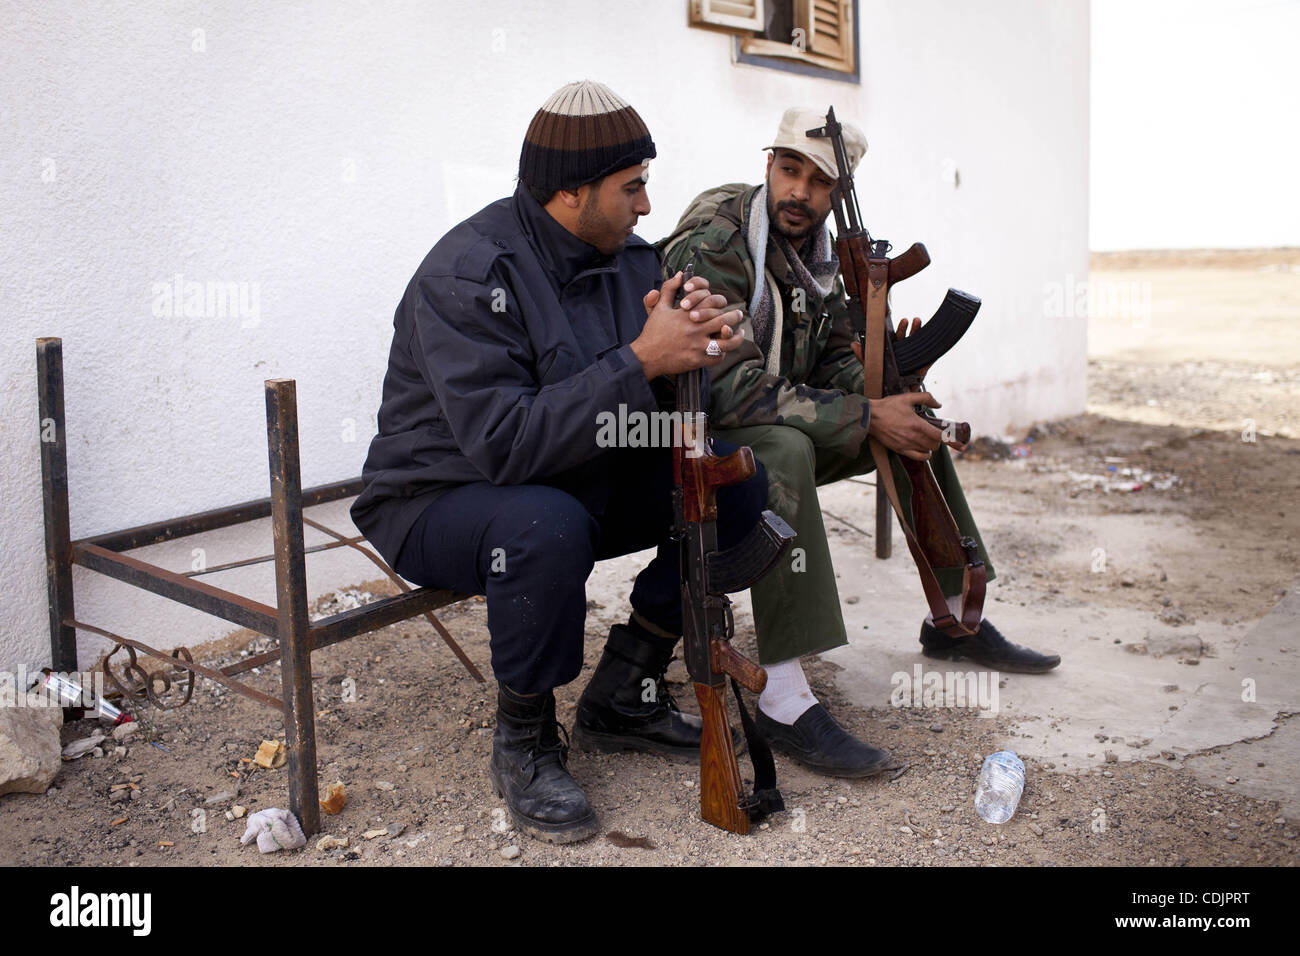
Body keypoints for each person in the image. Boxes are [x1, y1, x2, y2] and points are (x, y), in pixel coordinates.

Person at [350, 80, 761, 843]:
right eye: (632, 187)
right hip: (439, 497)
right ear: (572, 193)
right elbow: (504, 443)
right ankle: (526, 738)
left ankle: (624, 689)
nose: (646, 207)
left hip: (572, 474)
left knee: (730, 479)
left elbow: (649, 407)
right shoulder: (469, 274)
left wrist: (693, 354)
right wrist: (640, 360)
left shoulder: (630, 260)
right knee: (545, 524)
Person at [658, 107, 1061, 779]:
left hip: (777, 412)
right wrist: (865, 415)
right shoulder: (718, 243)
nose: (801, 194)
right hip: (696, 428)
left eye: (820, 184)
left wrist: (886, 387)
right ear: (768, 166)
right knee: (787, 452)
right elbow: (728, 388)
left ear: (837, 195)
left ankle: (955, 618)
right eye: (790, 172)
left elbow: (835, 357)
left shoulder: (822, 253)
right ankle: (784, 698)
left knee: (913, 432)